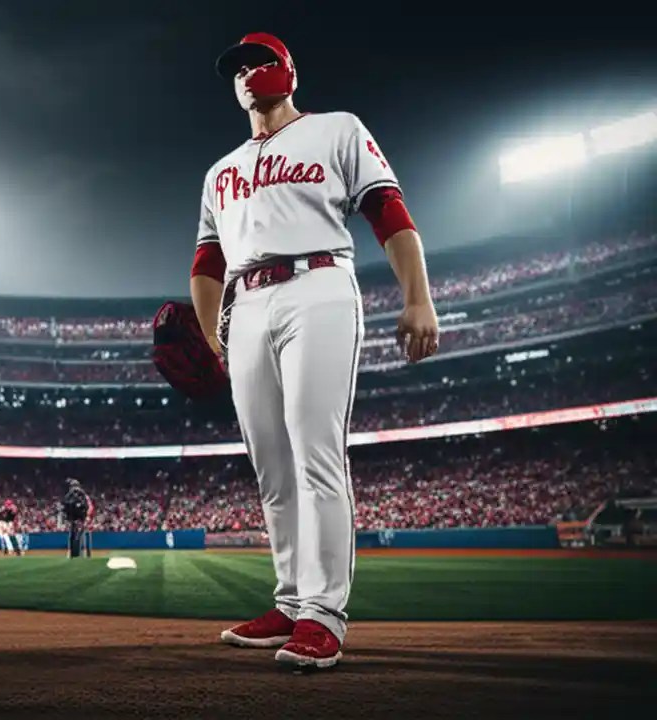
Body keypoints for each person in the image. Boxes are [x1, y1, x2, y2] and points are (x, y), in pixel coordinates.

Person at [190, 33, 439, 670]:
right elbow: (208, 260)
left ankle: (324, 615)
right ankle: (292, 600)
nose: (246, 74)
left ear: (287, 70)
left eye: (257, 61)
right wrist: (210, 331)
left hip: (319, 285)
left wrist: (418, 297)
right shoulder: (220, 171)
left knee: (314, 451)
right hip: (246, 305)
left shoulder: (336, 129)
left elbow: (388, 210)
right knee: (272, 466)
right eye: (236, 69)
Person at [62, 479, 93, 558]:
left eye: (74, 486)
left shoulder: (83, 495)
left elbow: (89, 506)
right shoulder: (70, 496)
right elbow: (66, 506)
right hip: (75, 517)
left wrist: (87, 517)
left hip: (83, 517)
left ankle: (86, 554)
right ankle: (74, 553)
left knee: (84, 535)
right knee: (74, 535)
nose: (73, 488)